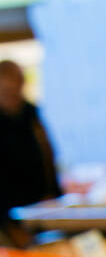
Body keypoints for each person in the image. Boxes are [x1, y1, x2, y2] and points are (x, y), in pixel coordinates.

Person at [0, 59, 61, 241]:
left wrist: (55, 195)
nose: (12, 96)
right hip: (9, 217)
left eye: (15, 89)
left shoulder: (31, 115)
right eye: (6, 91)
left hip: (42, 209)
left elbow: (48, 156)